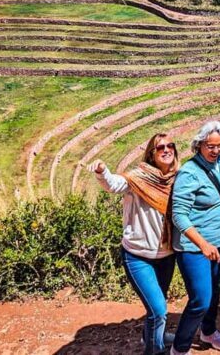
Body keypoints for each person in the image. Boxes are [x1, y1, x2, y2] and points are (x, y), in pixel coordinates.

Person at [87, 133, 180, 355]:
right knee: (158, 310)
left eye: (170, 146)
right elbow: (115, 184)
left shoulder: (178, 178)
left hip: (166, 255)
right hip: (138, 255)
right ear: (151, 154)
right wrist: (102, 171)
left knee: (155, 306)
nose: (166, 150)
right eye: (160, 148)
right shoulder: (139, 178)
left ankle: (152, 335)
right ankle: (155, 349)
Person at [170, 121, 220, 355]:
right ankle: (180, 347)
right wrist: (203, 244)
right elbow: (179, 215)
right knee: (200, 300)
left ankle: (208, 331)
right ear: (199, 145)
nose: (215, 150)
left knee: (214, 290)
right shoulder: (189, 172)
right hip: (194, 247)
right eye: (210, 146)